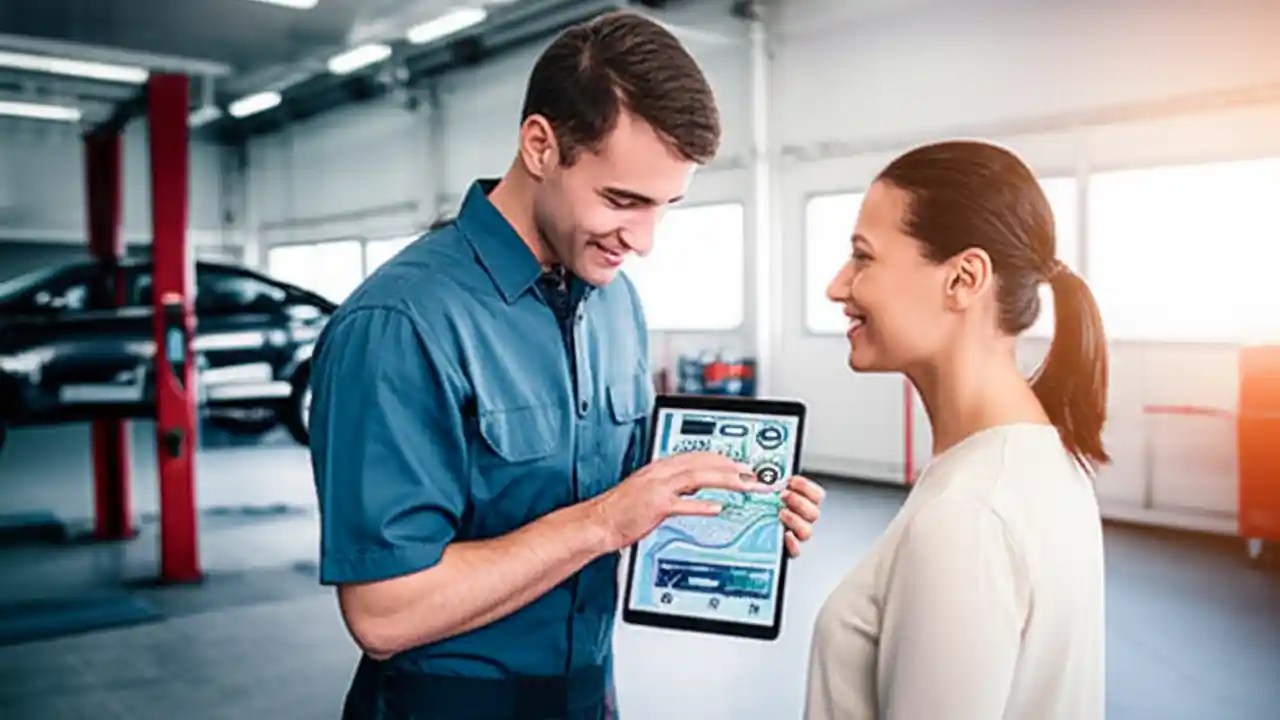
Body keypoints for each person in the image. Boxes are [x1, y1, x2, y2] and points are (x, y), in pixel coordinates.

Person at [308, 11, 827, 720]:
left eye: (666, 207)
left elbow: (633, 494)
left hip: (589, 693)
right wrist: (605, 522)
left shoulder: (616, 305)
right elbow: (383, 613)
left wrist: (736, 512)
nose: (643, 239)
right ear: (541, 146)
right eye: (622, 200)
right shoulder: (399, 325)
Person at [805, 140, 1108, 720]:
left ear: (964, 278)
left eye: (863, 258)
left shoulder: (967, 516)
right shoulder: (1045, 461)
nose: (839, 286)